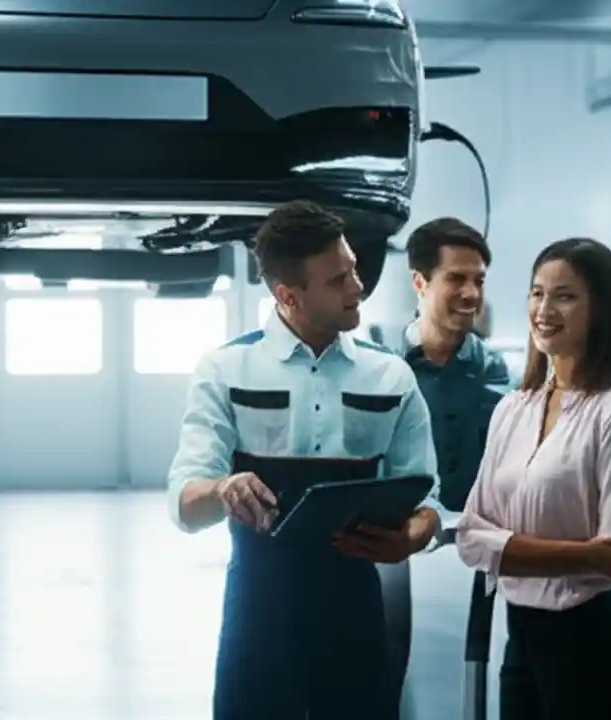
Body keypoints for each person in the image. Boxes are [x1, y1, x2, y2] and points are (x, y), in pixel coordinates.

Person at [165, 200, 442, 720]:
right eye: (338, 280)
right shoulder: (226, 369)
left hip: (357, 616)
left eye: (354, 269)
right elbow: (184, 502)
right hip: (258, 618)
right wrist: (223, 489)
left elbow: (428, 498)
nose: (358, 286)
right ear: (288, 295)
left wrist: (416, 534)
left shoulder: (391, 377)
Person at [455, 237, 611, 720]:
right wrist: (580, 553)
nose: (544, 308)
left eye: (565, 295)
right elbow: (471, 539)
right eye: (537, 293)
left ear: (601, 309)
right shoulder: (513, 408)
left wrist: (510, 549)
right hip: (520, 642)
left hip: (588, 649)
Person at [402, 217, 511, 513]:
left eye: (479, 280)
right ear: (419, 282)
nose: (472, 294)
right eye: (456, 279)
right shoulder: (388, 370)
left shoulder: (496, 373)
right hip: (399, 540)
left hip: (475, 539)